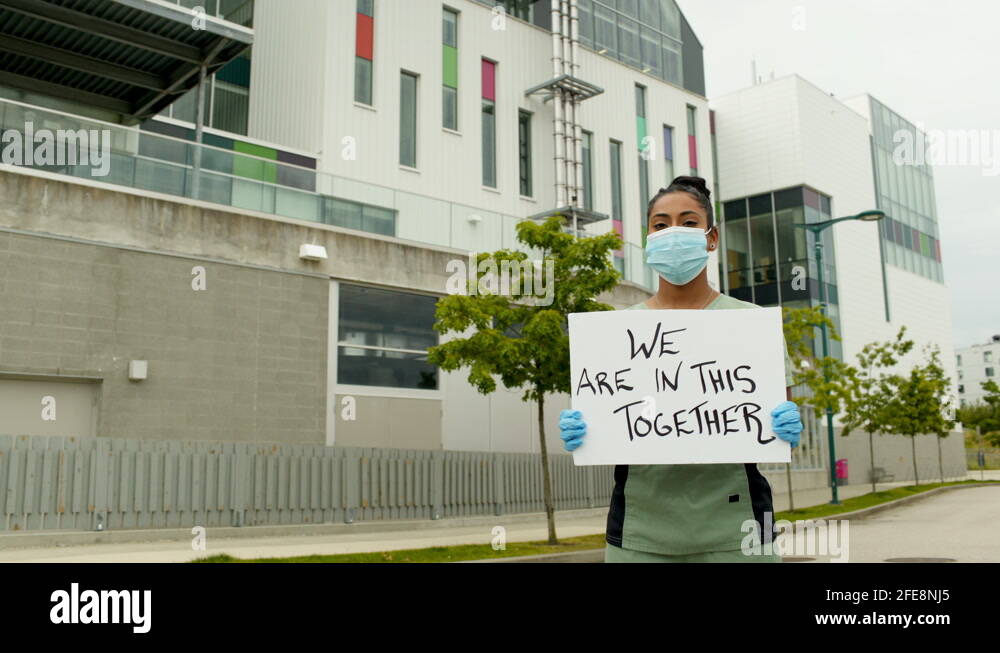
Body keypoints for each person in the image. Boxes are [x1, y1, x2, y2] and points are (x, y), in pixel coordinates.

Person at [559, 176, 803, 563]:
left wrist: (785, 425)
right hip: (640, 535)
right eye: (661, 224)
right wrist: (584, 429)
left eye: (688, 222)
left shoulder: (751, 324)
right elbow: (605, 411)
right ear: (648, 240)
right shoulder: (616, 334)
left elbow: (777, 427)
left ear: (711, 238)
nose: (673, 233)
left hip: (738, 531)